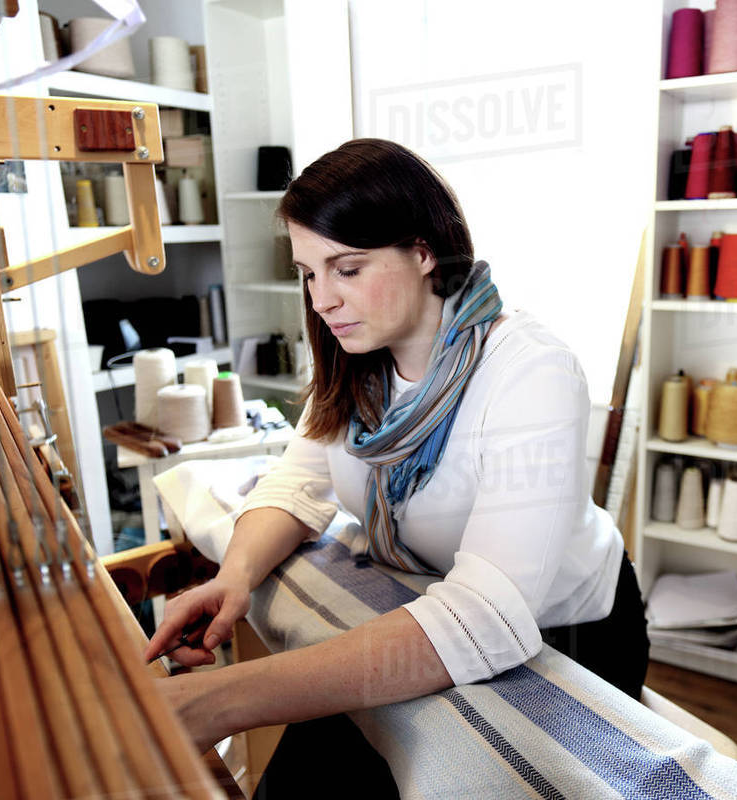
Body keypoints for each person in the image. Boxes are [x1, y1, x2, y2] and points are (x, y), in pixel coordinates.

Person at [145, 138, 649, 796]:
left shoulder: (530, 373)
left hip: (566, 635)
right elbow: (299, 483)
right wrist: (234, 576)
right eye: (308, 272)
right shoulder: (357, 363)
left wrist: (217, 701)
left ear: (423, 252)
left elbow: (488, 618)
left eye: (346, 269)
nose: (322, 300)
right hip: (429, 603)